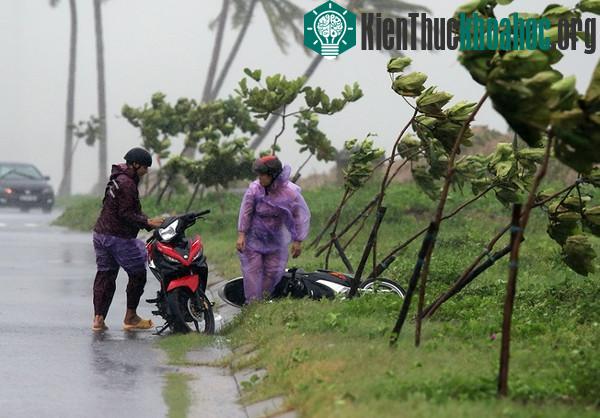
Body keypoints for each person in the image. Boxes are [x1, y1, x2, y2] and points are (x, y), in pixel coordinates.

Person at [91, 147, 164, 331]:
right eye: (145, 167)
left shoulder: (118, 178)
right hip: (117, 237)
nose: (146, 171)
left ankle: (98, 320)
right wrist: (148, 222)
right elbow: (126, 213)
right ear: (135, 164)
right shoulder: (127, 183)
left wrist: (146, 220)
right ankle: (130, 317)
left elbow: (127, 209)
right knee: (138, 273)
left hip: (101, 235)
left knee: (105, 275)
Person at [236, 156, 311, 303]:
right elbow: (246, 212)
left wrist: (298, 240)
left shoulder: (289, 192)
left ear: (273, 174)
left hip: (275, 241)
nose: (260, 178)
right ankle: (252, 304)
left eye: (263, 175)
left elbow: (299, 216)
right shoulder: (254, 190)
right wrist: (241, 234)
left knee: (273, 271)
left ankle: (262, 300)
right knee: (253, 272)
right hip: (254, 240)